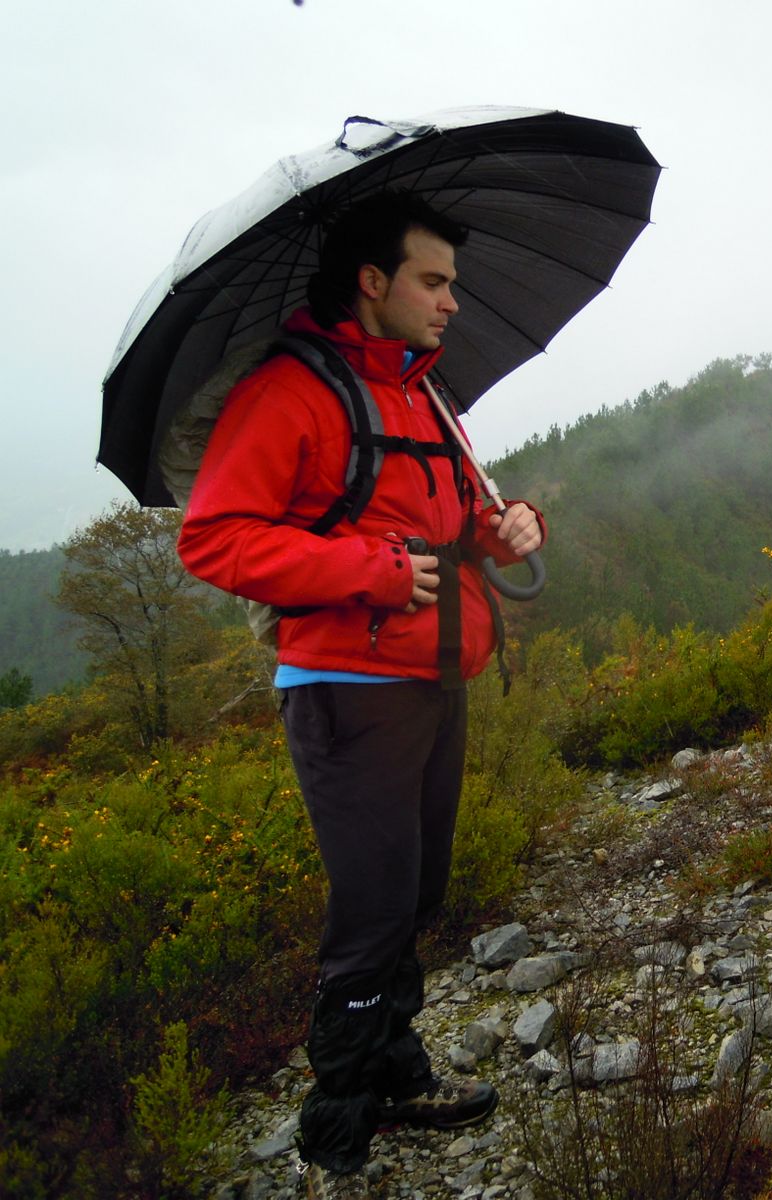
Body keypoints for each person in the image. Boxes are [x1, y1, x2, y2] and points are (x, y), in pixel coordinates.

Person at [179, 192, 545, 1197]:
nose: (451, 304)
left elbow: (461, 512)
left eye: (455, 285)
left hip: (435, 679)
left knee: (417, 892)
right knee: (374, 905)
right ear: (372, 282)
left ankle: (396, 1073)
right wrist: (368, 573)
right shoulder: (290, 394)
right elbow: (210, 538)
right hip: (345, 689)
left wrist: (512, 525)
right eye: (433, 281)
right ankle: (334, 1132)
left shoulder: (426, 396)